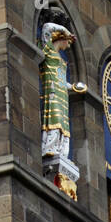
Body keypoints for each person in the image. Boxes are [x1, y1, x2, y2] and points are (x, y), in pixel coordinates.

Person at [39, 22, 86, 158]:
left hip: (62, 94)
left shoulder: (60, 59)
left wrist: (72, 87)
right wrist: (66, 30)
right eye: (68, 42)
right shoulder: (48, 50)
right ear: (62, 39)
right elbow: (47, 27)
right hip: (53, 91)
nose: (68, 46)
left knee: (63, 123)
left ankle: (60, 152)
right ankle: (49, 147)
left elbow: (60, 79)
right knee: (55, 118)